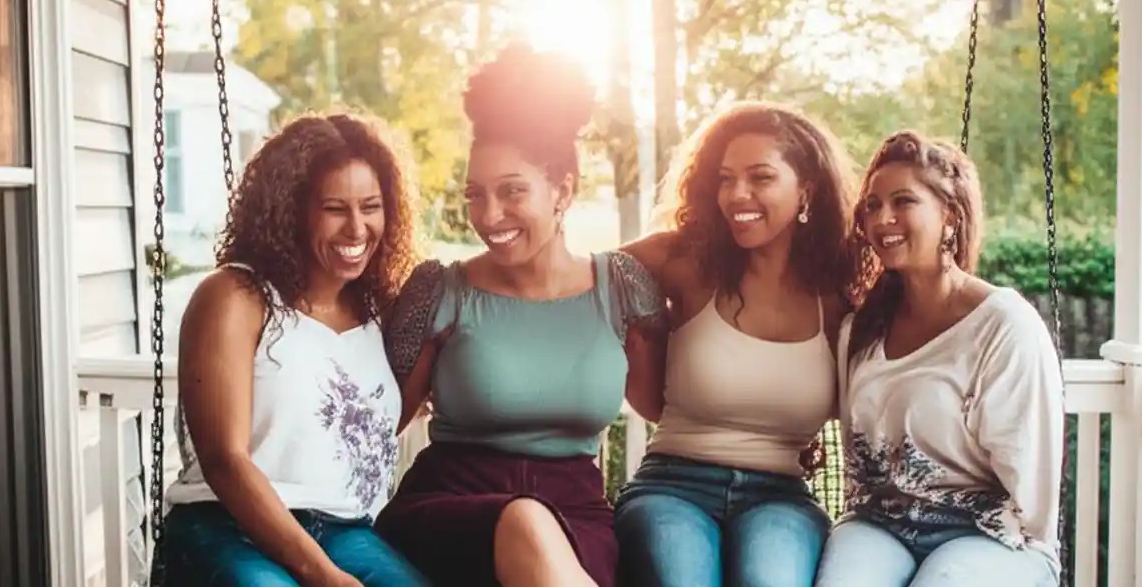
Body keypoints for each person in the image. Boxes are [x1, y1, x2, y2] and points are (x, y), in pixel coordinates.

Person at [375, 44, 668, 587]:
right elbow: (372, 427)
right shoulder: (440, 290)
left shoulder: (623, 288)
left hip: (577, 517)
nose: (488, 217)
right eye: (475, 195)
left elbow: (669, 409)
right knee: (525, 520)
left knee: (539, 529)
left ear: (562, 191)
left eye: (512, 192)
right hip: (450, 507)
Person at [153, 114, 429, 586]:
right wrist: (322, 575)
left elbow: (362, 429)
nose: (357, 228)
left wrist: (435, 355)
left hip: (344, 530)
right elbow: (224, 460)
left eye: (371, 206)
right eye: (335, 209)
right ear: (291, 209)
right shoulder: (237, 297)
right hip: (226, 523)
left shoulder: (378, 310)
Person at [614, 102, 859, 587]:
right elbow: (586, 278)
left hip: (781, 496)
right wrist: (641, 333)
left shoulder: (837, 296)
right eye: (725, 178)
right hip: (671, 485)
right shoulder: (686, 263)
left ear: (806, 189)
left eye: (760, 177)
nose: (736, 194)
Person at [814, 130, 1062, 587]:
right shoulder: (860, 330)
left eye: (903, 201)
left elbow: (1030, 482)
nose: (882, 218)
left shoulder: (1002, 325)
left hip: (988, 535)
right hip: (878, 525)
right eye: (872, 205)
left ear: (949, 214)